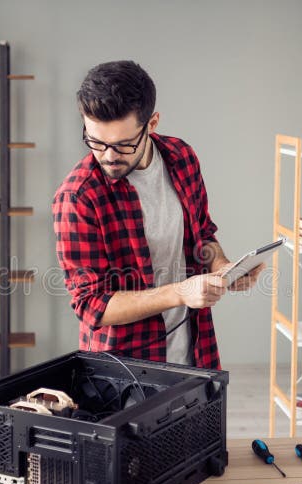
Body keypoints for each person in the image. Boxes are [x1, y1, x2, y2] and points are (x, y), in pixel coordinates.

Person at [52, 60, 262, 369]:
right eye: (96, 142)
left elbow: (202, 234)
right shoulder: (79, 197)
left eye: (123, 144)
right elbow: (91, 305)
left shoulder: (182, 158)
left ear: (152, 124)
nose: (108, 156)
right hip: (125, 370)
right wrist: (179, 293)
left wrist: (224, 268)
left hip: (196, 350)